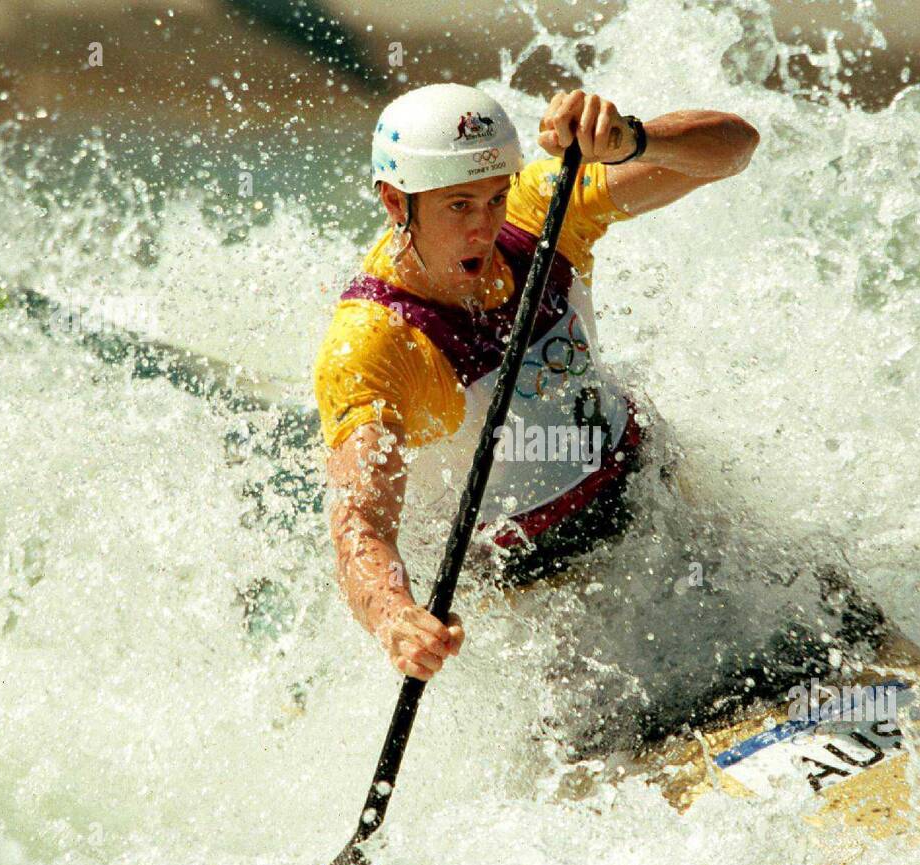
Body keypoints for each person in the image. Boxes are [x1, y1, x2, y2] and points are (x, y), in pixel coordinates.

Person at [313, 83, 760, 688]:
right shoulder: (374, 346)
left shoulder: (539, 211)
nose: (485, 228)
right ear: (397, 202)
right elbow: (360, 524)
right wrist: (394, 616)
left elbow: (736, 147)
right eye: (458, 206)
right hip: (542, 589)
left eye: (495, 198)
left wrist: (632, 140)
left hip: (660, 497)